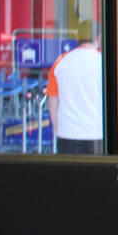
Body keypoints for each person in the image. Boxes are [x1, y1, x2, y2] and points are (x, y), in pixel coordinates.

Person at [47, 20, 103, 154]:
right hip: (96, 132)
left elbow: (53, 100)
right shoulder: (103, 62)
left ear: (77, 38)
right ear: (99, 38)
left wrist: (57, 128)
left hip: (67, 133)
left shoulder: (60, 62)